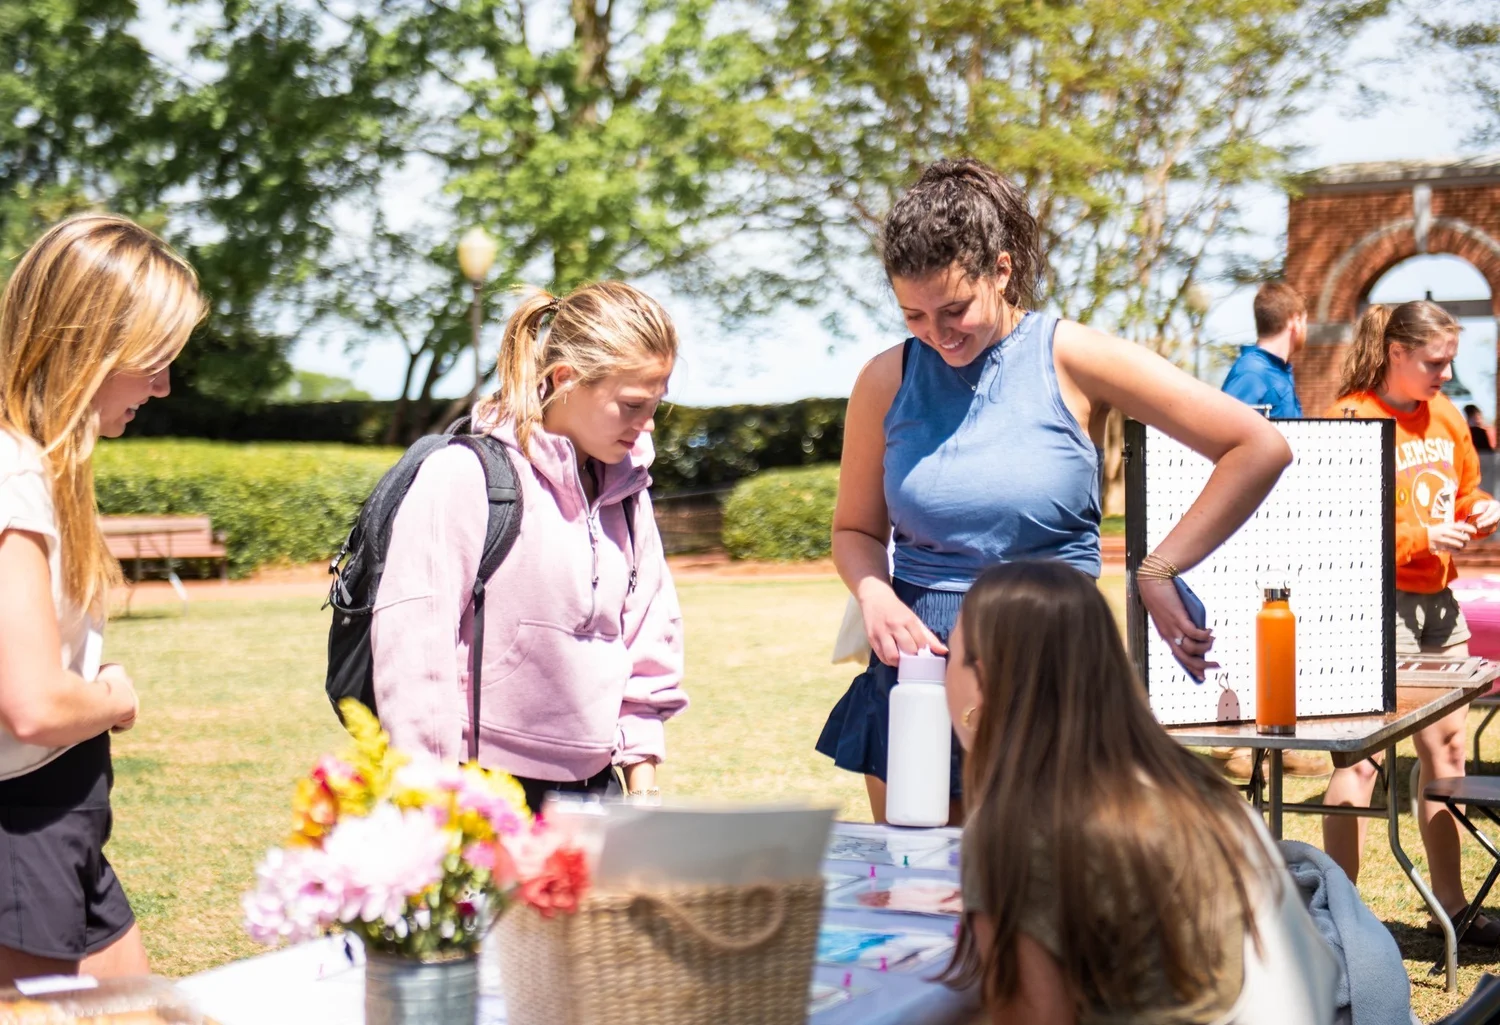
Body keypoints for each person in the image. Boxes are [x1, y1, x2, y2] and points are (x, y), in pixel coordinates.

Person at [815, 158, 1293, 824]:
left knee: (1052, 899)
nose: (938, 334)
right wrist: (871, 590)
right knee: (926, 901)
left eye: (955, 309)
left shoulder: (1073, 355)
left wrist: (1158, 567)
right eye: (914, 315)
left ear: (1002, 270)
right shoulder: (884, 380)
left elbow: (1257, 446)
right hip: (920, 679)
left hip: (1055, 668)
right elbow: (855, 531)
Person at [943, 560, 1338, 1024]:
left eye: (950, 656)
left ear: (984, 678)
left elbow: (1033, 1016)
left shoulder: (1015, 827)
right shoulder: (1190, 785)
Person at [372, 281, 686, 814]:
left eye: (657, 404)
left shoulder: (629, 493)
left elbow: (648, 645)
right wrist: (429, 803)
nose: (647, 424)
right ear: (565, 379)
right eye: (632, 403)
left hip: (599, 792)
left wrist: (644, 789)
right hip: (480, 795)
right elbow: (413, 652)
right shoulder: (463, 476)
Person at [0, 215, 204, 984]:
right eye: (154, 360)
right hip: (22, 828)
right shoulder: (13, 473)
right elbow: (34, 708)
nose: (164, 385)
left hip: (61, 814)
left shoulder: (40, 470)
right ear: (88, 345)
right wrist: (112, 693)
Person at [1321, 300, 1500, 943]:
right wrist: (1423, 537)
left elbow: (1465, 490)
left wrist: (1481, 511)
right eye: (1435, 362)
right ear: (1396, 353)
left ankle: (1450, 907)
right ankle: (1338, 918)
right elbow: (1339, 523)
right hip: (1374, 604)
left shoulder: (1447, 416)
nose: (1446, 376)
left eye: (1450, 363)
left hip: (1439, 605)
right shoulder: (1349, 417)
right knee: (1361, 761)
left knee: (1445, 752)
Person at [1216, 283, 1325, 781]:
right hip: (1250, 527)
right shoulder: (1252, 376)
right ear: (1296, 320)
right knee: (1247, 629)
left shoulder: (1277, 373)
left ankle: (1277, 739)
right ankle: (1237, 746)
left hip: (1282, 524)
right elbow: (1222, 442)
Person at [1220, 281, 1306, 419]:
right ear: (1294, 321)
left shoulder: (1277, 372)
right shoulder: (1251, 373)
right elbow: (1226, 432)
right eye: (1304, 321)